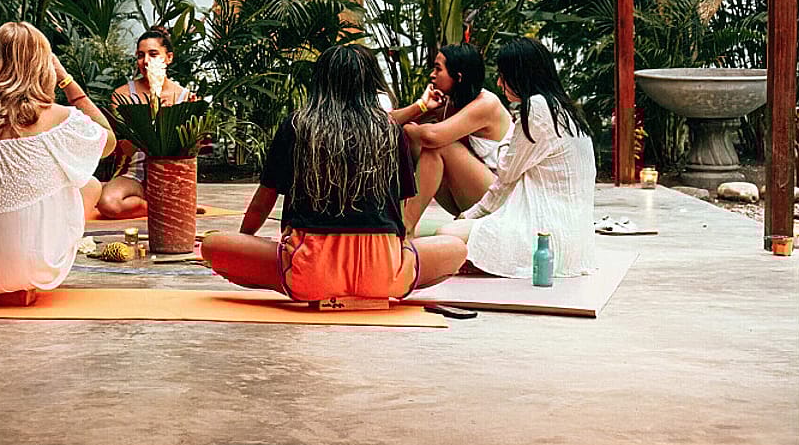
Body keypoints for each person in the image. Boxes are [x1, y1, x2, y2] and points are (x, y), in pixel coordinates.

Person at [202, 44, 467, 301]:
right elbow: (402, 212)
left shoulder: (296, 125)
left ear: (319, 82)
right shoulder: (390, 130)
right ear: (371, 84)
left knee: (213, 246)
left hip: (308, 273)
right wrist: (402, 250)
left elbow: (263, 201)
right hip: (384, 273)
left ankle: (306, 282)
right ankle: (375, 286)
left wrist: (245, 241)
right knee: (456, 248)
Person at [0, 22, 117, 294]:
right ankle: (22, 257)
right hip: (29, 270)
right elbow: (108, 142)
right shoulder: (55, 118)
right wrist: (66, 80)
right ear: (43, 66)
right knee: (90, 185)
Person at [436, 38, 596, 278]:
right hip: (575, 240)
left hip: (543, 232)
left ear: (520, 75)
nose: (499, 83)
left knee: (444, 237)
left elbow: (506, 177)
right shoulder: (564, 109)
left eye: (503, 76)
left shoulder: (537, 108)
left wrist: (469, 215)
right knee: (454, 236)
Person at [389, 43, 513, 237]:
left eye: (438, 69)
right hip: (469, 198)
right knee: (412, 140)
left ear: (459, 76)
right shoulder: (448, 103)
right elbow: (385, 122)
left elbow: (432, 137)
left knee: (439, 146)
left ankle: (405, 228)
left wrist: (409, 129)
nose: (432, 75)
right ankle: (399, 220)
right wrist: (421, 106)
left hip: (500, 201)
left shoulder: (486, 104)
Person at [96, 27, 192, 219]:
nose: (145, 61)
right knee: (108, 204)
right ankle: (157, 208)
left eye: (153, 54)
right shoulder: (123, 95)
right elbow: (125, 147)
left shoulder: (185, 97)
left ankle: (166, 202)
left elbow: (188, 150)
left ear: (169, 58)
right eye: (140, 55)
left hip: (170, 177)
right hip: (134, 174)